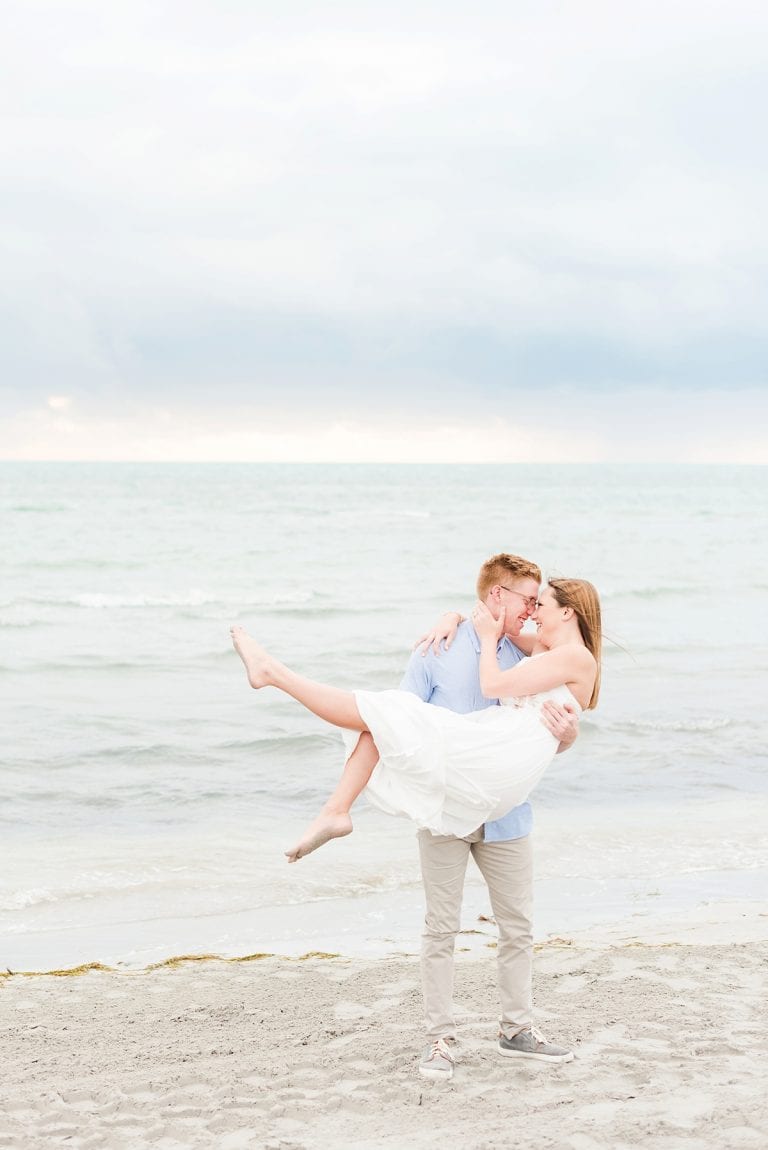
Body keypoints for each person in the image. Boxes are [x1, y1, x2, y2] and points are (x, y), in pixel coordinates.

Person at [230, 569, 601, 1076]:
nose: (532, 610)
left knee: (518, 927)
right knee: (440, 926)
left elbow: (549, 722)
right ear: (497, 595)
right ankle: (439, 1039)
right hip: (450, 795)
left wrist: (568, 734)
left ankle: (516, 1030)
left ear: (565, 611)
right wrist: (454, 618)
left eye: (541, 602)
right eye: (528, 600)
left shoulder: (532, 648)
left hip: (501, 798)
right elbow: (525, 692)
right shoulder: (442, 646)